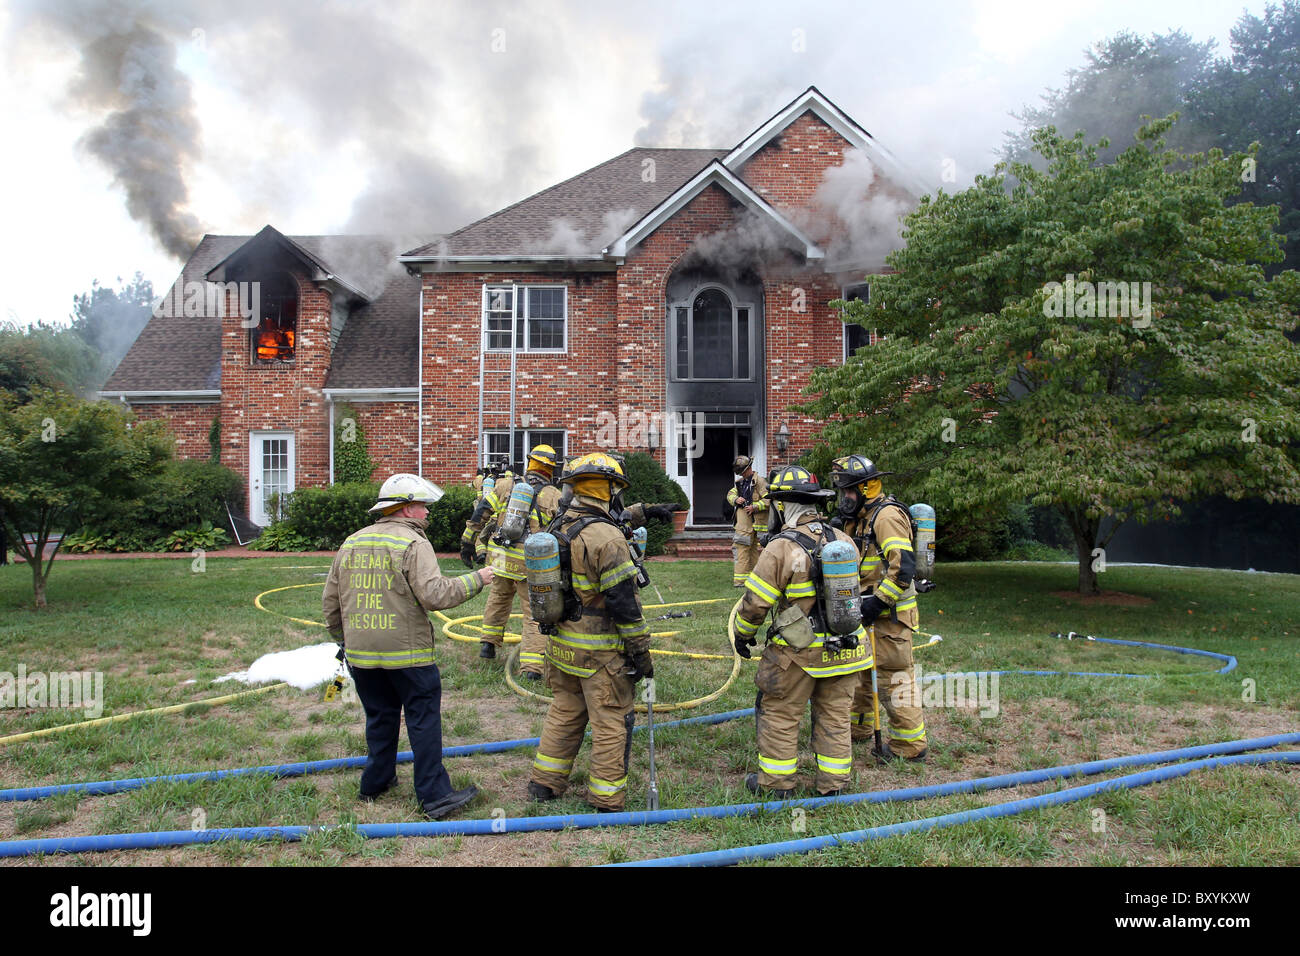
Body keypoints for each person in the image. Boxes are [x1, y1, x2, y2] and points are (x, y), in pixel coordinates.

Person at [323, 472, 494, 820]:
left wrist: (344, 640)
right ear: (404, 509)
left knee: (380, 718)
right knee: (423, 722)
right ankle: (434, 796)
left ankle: (375, 782)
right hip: (409, 657)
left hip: (362, 655)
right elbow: (435, 595)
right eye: (422, 505)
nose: (428, 512)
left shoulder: (352, 542)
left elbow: (331, 602)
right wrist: (479, 578)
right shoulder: (415, 545)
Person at [731, 465, 872, 797]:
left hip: (799, 651)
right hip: (847, 647)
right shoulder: (844, 540)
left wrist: (742, 634)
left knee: (780, 712)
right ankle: (833, 785)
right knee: (836, 717)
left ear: (781, 506)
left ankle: (777, 785)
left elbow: (755, 604)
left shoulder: (781, 547)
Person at [527, 452, 654, 812]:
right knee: (612, 719)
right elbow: (624, 604)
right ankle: (606, 796)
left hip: (562, 647)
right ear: (610, 491)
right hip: (601, 655)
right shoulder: (606, 538)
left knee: (565, 711)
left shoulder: (558, 525)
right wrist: (641, 653)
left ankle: (544, 783)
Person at [830, 454, 927, 762]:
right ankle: (859, 729)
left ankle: (910, 747)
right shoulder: (859, 517)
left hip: (890, 617)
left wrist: (877, 603)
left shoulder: (885, 517)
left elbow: (903, 568)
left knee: (892, 679)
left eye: (849, 492)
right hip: (867, 614)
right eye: (842, 492)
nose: (845, 498)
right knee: (860, 674)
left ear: (868, 488)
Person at [473, 444, 563, 678]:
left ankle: (488, 645)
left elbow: (482, 510)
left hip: (501, 556)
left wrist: (468, 539)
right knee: (534, 612)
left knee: (498, 598)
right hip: (529, 562)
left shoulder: (505, 485)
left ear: (530, 462)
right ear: (551, 469)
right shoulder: (553, 494)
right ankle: (532, 669)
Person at [726, 455, 769, 587]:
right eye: (740, 473)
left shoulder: (760, 482)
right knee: (744, 550)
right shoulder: (740, 483)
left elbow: (768, 499)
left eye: (743, 472)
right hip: (743, 524)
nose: (742, 475)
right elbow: (730, 494)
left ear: (749, 468)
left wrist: (755, 507)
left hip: (757, 524)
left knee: (750, 551)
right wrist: (735, 500)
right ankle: (746, 581)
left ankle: (749, 580)